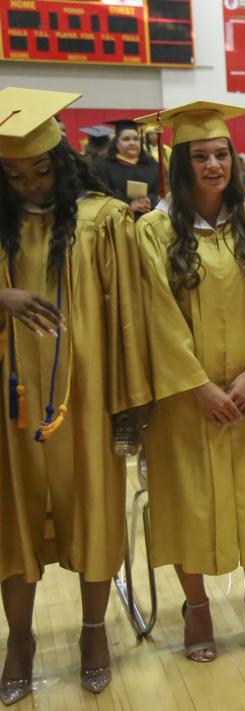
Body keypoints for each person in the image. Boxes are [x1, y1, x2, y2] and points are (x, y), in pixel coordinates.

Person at [0, 87, 151, 702]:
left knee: (93, 508)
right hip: (10, 398)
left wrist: (131, 401)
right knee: (11, 517)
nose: (31, 184)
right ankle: (20, 639)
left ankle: (94, 630)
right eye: (13, 173)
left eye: (40, 169)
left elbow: (132, 316)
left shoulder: (103, 219)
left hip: (85, 396)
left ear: (61, 161)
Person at [134, 101, 245, 661]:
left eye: (221, 154)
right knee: (190, 503)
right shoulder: (153, 232)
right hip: (186, 400)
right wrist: (198, 385)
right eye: (199, 156)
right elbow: (155, 315)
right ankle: (196, 606)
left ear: (234, 159)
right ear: (181, 164)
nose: (213, 165)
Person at [92, 118, 159, 219]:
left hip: (147, 219)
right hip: (116, 221)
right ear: (116, 143)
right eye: (126, 139)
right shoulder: (103, 166)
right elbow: (103, 196)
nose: (132, 143)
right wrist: (128, 206)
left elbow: (156, 191)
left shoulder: (152, 165)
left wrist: (149, 201)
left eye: (136, 139)